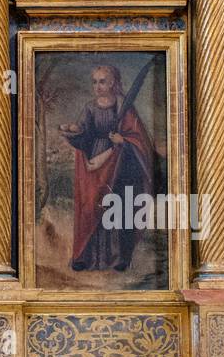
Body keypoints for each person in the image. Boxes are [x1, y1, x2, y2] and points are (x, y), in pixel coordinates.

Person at [59, 64, 154, 272]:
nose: (98, 86)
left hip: (118, 161)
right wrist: (74, 131)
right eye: (95, 82)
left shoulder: (123, 107)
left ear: (112, 83)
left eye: (102, 81)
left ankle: (118, 257)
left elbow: (139, 139)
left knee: (114, 206)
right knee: (92, 205)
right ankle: (86, 257)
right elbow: (85, 133)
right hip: (95, 159)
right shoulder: (90, 107)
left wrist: (123, 140)